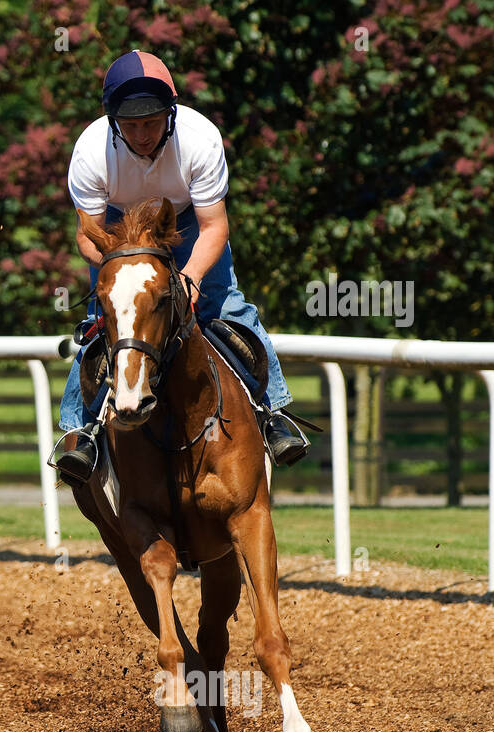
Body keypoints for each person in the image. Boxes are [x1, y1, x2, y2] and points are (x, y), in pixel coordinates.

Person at [53, 50, 309, 486]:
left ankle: (272, 414)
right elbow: (85, 235)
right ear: (113, 121)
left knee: (226, 307)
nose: (142, 134)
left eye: (151, 122)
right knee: (107, 321)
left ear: (170, 113)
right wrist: (128, 274)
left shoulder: (200, 138)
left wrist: (186, 278)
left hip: (188, 222)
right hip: (117, 233)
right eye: (130, 125)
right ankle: (82, 432)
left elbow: (215, 226)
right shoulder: (90, 151)